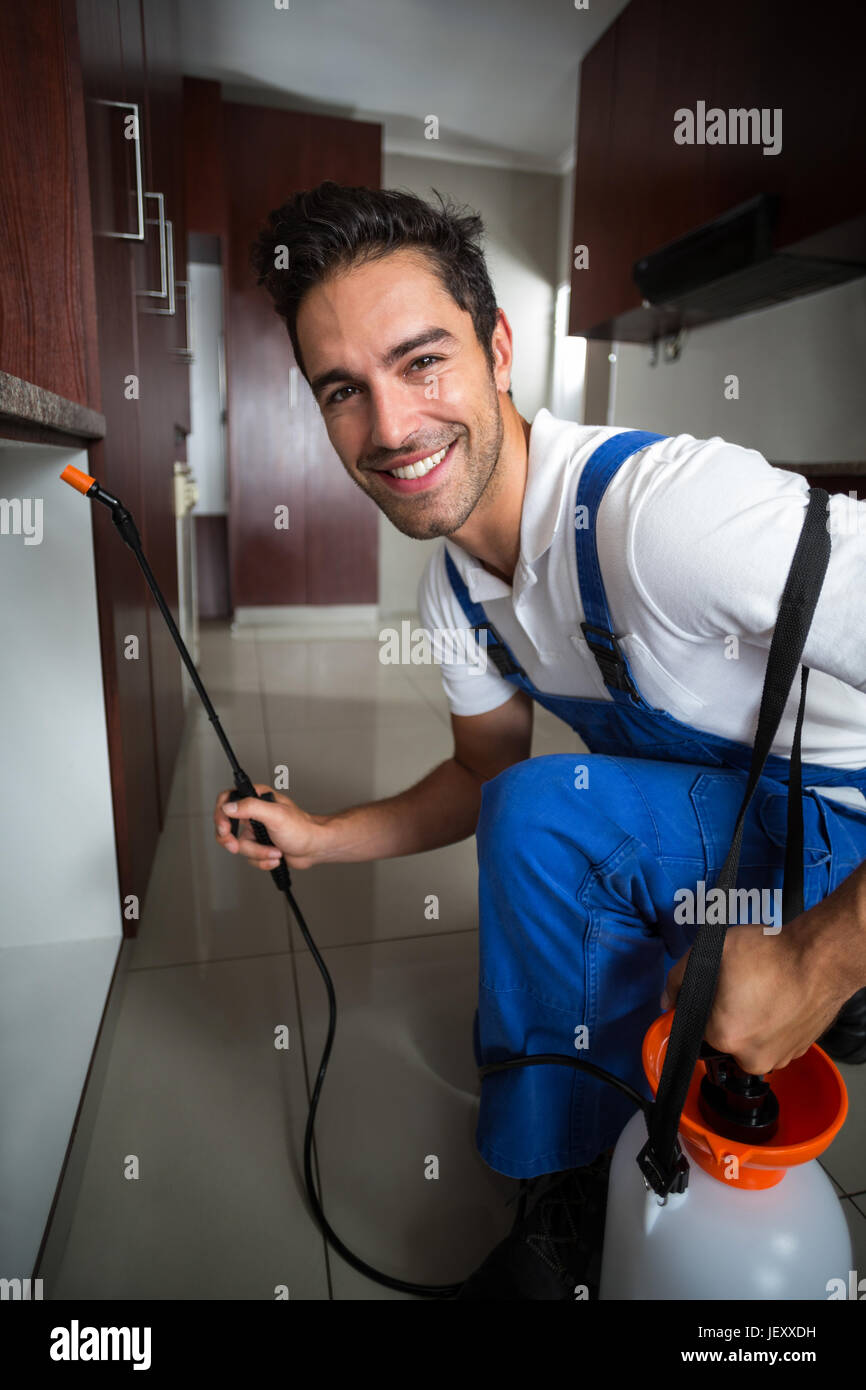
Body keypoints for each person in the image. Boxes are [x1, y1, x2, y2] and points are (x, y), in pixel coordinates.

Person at [213, 182, 866, 1299]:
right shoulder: (455, 594)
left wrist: (816, 958)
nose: (389, 426)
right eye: (342, 391)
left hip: (844, 820)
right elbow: (483, 775)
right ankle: (566, 1196)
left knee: (557, 817)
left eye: (421, 361)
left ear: (497, 345)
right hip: (745, 817)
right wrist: (322, 838)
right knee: (534, 805)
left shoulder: (662, 518)